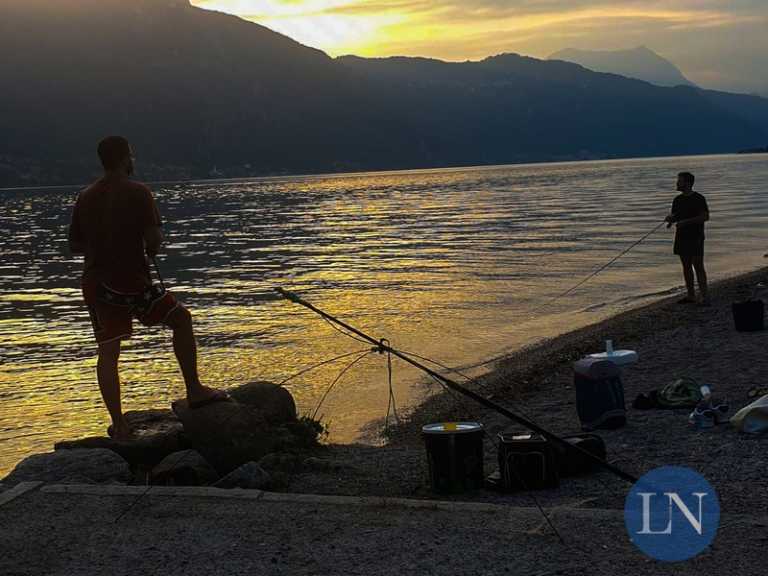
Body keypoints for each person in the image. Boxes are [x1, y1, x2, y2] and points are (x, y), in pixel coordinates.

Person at [68, 136, 229, 440]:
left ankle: (119, 424)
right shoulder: (139, 192)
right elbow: (153, 239)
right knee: (180, 319)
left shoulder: (85, 196)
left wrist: (101, 244)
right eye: (131, 155)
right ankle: (194, 390)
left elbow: (75, 245)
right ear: (124, 159)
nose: (133, 160)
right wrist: (147, 247)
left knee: (108, 352)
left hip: (98, 285)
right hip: (132, 283)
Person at [665, 171, 710, 306]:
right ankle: (691, 295)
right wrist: (670, 220)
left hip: (696, 236)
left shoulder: (699, 198)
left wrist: (686, 222)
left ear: (688, 183)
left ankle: (705, 297)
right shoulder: (677, 200)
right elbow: (676, 216)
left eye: (680, 181)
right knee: (686, 266)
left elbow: (705, 217)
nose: (677, 183)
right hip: (681, 237)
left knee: (698, 266)